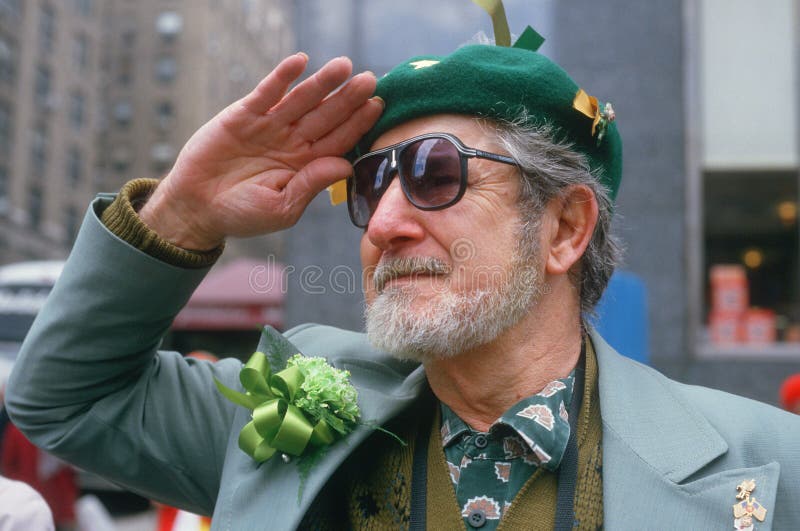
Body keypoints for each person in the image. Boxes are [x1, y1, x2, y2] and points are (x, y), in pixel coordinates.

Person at [5, 6, 800, 530]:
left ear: (563, 228)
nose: (383, 222)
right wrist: (182, 212)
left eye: (433, 173)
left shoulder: (768, 462)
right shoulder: (284, 415)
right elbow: (66, 398)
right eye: (369, 184)